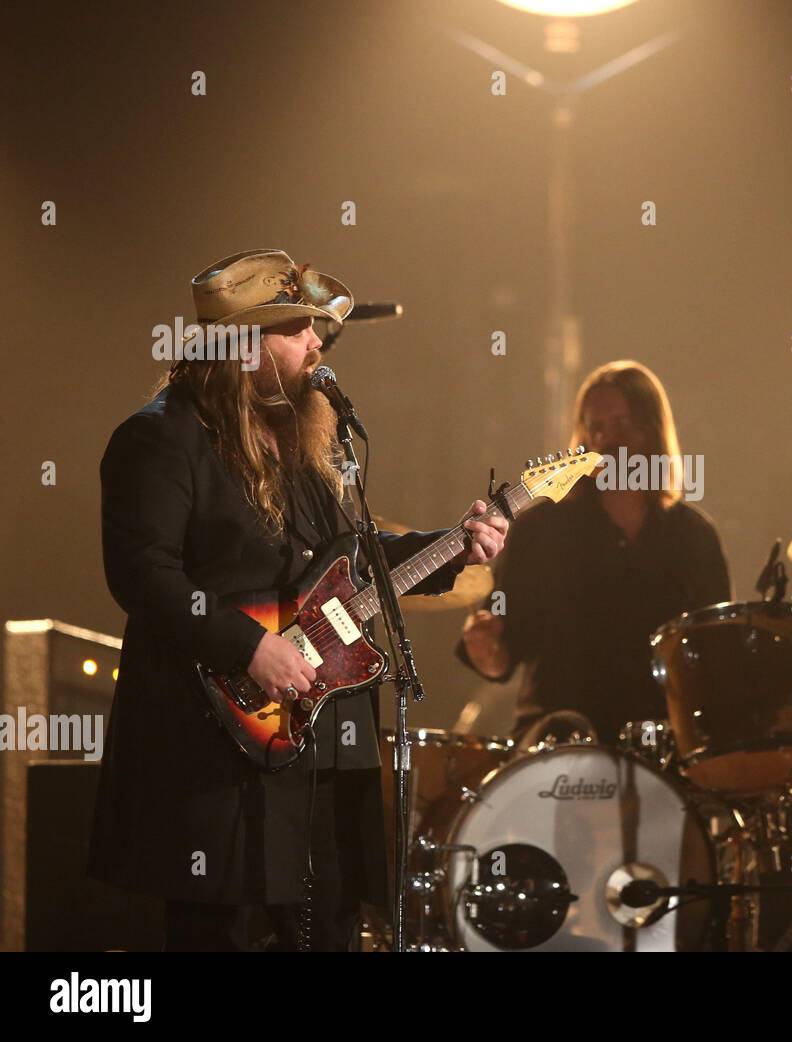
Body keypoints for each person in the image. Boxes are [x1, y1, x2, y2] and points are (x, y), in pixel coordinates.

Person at [90, 249, 509, 951]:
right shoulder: (160, 437)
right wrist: (250, 647)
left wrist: (454, 547)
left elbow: (354, 565)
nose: (317, 344)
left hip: (319, 744)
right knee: (224, 930)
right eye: (299, 330)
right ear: (244, 343)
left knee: (329, 927)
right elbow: (142, 573)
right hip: (214, 747)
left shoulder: (304, 440)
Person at [457, 360, 730, 745]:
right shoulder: (541, 530)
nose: (605, 440)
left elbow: (715, 653)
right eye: (594, 427)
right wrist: (487, 649)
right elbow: (508, 645)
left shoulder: (694, 536)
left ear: (653, 430)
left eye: (621, 424)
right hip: (558, 741)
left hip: (665, 745)